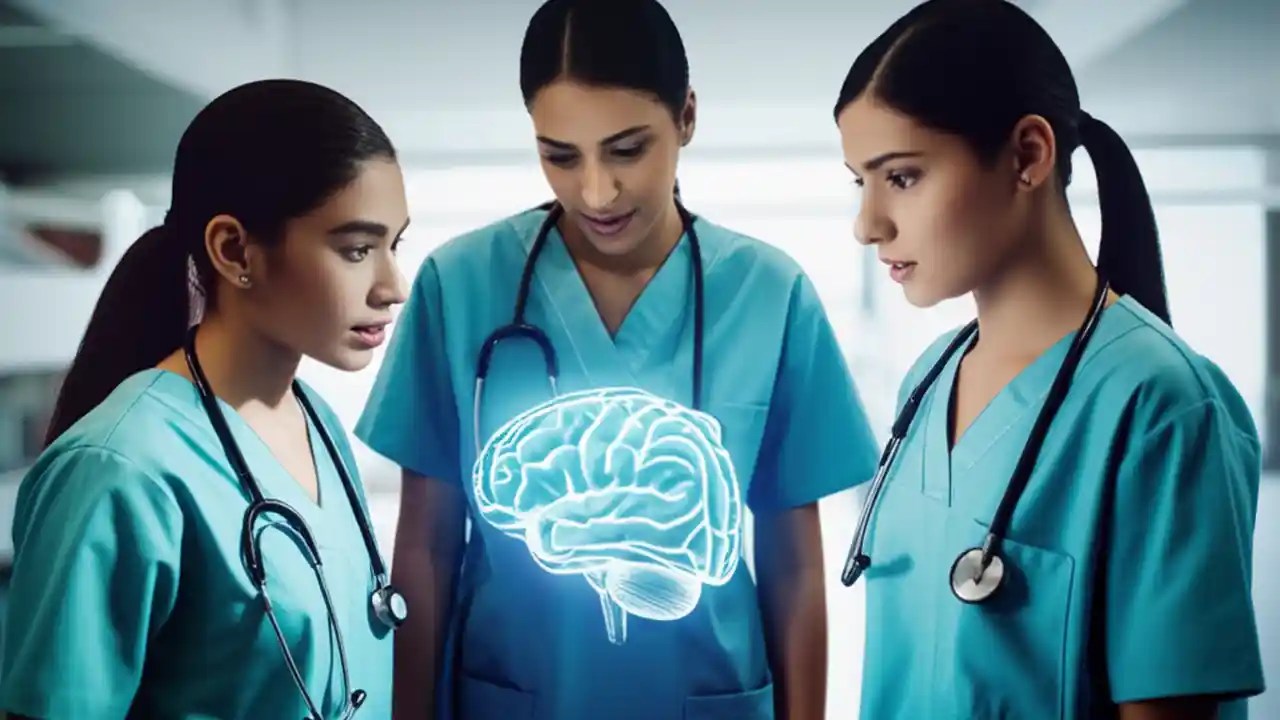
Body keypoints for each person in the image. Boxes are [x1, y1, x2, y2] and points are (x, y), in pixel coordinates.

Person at [354, 1, 880, 718]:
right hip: (513, 694)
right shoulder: (461, 284)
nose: (595, 192)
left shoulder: (769, 293)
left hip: (709, 693)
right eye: (559, 155)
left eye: (627, 149)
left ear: (686, 117)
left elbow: (794, 567)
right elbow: (426, 547)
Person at [832, 1, 1266, 718]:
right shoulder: (928, 382)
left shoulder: (1163, 406)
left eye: (902, 177)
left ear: (1029, 155)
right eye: (861, 182)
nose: (867, 224)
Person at [0, 79, 410, 720]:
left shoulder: (317, 423)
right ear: (233, 250)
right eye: (357, 249)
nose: (393, 286)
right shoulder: (120, 468)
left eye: (395, 245)